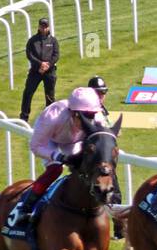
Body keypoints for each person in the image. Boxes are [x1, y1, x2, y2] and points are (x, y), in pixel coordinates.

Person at [12, 87, 105, 226]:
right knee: (56, 169)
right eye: (85, 115)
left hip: (74, 141)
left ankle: (108, 207)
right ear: (73, 113)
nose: (89, 120)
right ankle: (26, 208)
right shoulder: (54, 116)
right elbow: (36, 146)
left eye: (91, 115)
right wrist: (57, 156)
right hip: (49, 140)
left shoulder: (98, 118)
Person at [19, 17, 60, 121]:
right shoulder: (32, 41)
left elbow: (56, 55)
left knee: (50, 95)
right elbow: (29, 54)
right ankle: (24, 115)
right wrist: (40, 64)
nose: (44, 29)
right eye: (42, 26)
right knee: (28, 92)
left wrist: (48, 65)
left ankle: (50, 117)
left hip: (49, 71)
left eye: (46, 27)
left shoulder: (53, 40)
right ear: (39, 27)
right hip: (35, 71)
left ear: (48, 27)